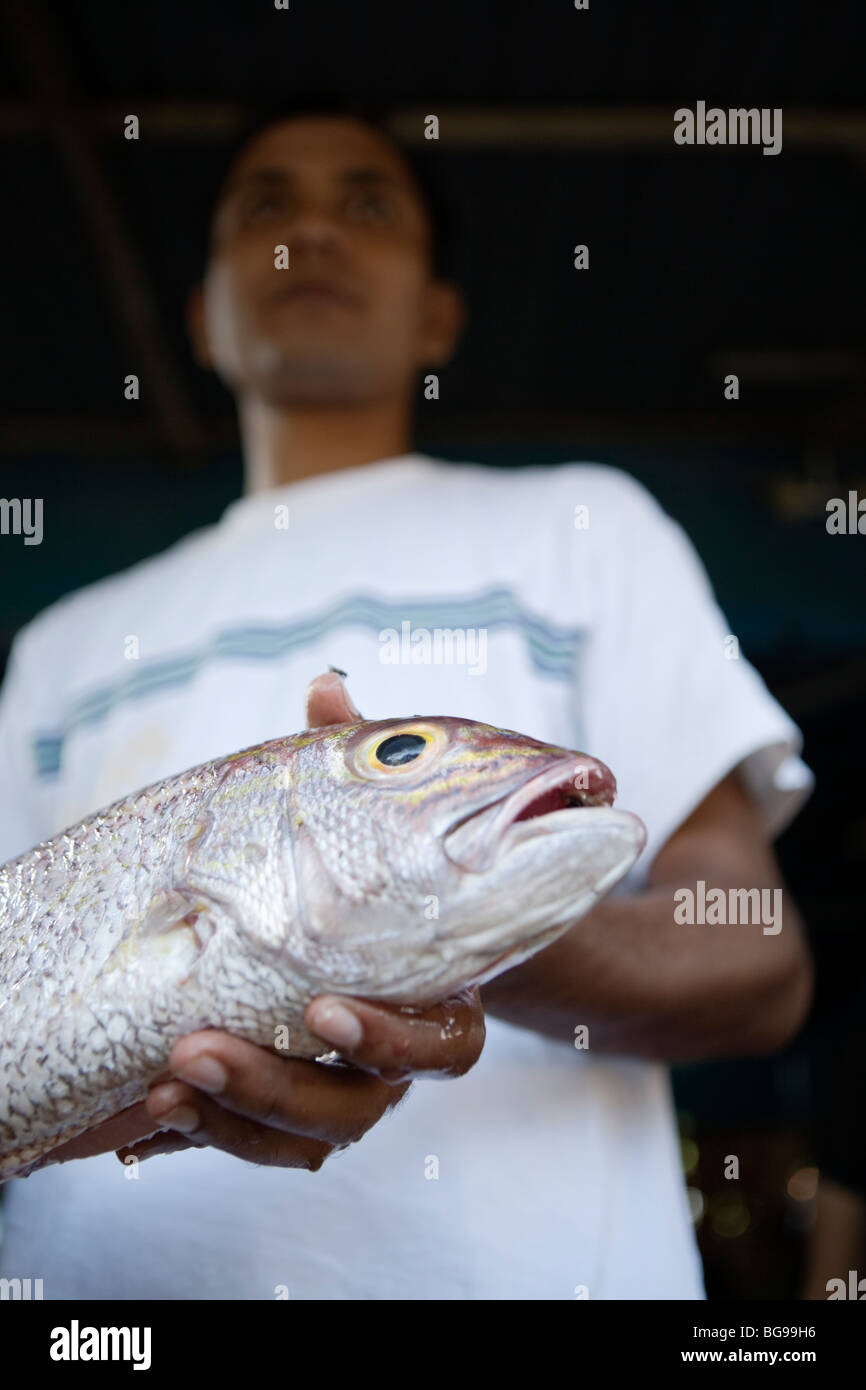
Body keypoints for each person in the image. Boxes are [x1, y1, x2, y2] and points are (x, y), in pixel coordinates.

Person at [0, 103, 813, 1299]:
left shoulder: (583, 528)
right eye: (266, 207)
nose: (312, 234)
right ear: (201, 320)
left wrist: (445, 941)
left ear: (438, 314)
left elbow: (757, 954)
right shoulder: (63, 642)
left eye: (366, 205)